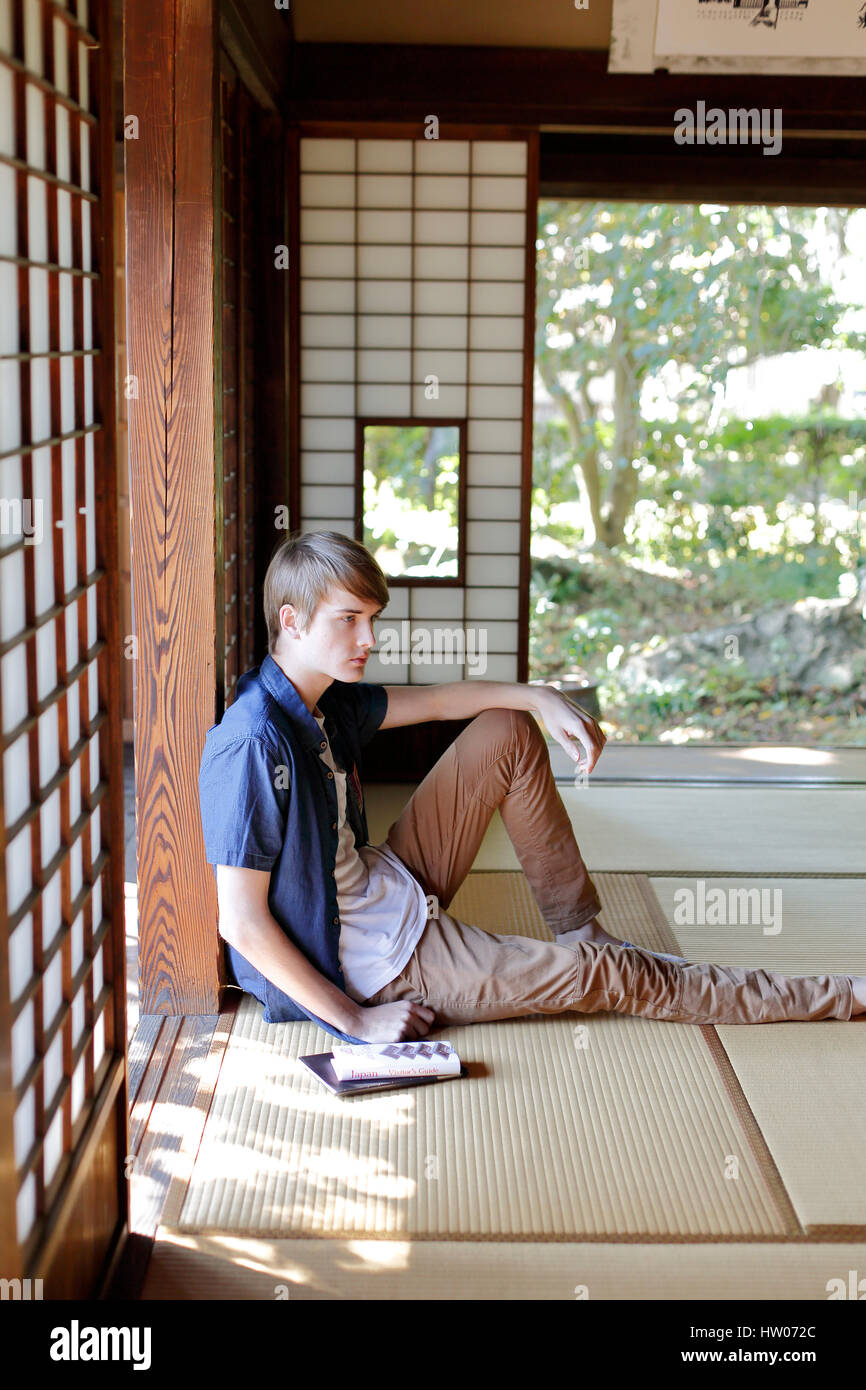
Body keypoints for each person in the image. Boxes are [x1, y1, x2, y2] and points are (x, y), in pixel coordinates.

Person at [198, 530, 865, 1044]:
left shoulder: (323, 698)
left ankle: (582, 931)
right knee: (617, 978)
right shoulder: (254, 742)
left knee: (506, 730)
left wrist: (539, 696)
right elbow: (243, 924)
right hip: (379, 964)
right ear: (292, 621)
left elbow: (437, 702)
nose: (369, 637)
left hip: (388, 885)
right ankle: (840, 994)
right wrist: (355, 1021)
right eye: (350, 619)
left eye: (372, 618)